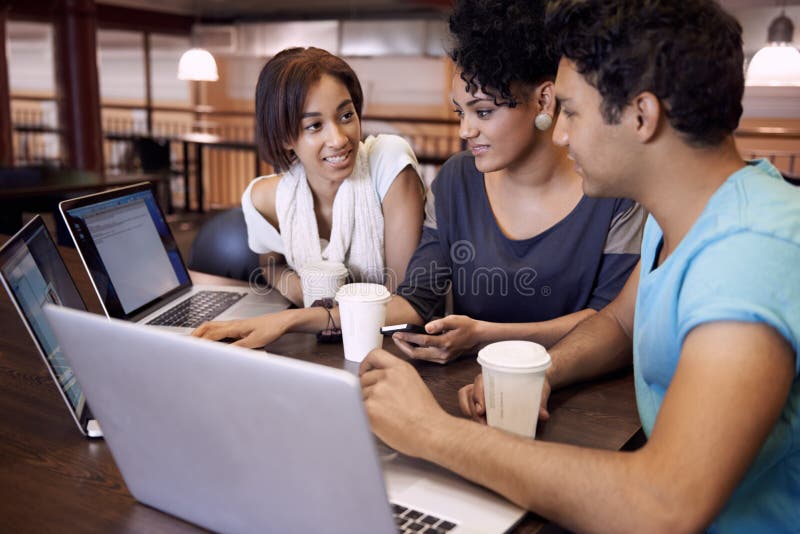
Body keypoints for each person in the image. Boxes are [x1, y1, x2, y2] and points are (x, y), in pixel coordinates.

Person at [360, 0, 800, 531]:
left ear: (642, 115)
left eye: (570, 111)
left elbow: (665, 504)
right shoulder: (682, 213)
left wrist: (430, 431)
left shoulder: (748, 252)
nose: (560, 134)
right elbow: (617, 322)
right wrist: (544, 372)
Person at [194, 0, 643, 357]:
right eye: (459, 113)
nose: (465, 130)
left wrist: (484, 335)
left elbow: (612, 323)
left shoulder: (612, 188)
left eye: (483, 111)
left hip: (592, 400)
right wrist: (292, 320)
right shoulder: (456, 182)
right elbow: (415, 301)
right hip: (475, 389)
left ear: (544, 100)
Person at [240, 47, 423, 306]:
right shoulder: (264, 200)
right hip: (316, 335)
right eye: (314, 126)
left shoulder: (389, 162)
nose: (339, 139)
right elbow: (270, 267)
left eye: (346, 115)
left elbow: (402, 294)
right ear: (284, 137)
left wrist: (316, 316)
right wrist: (303, 292)